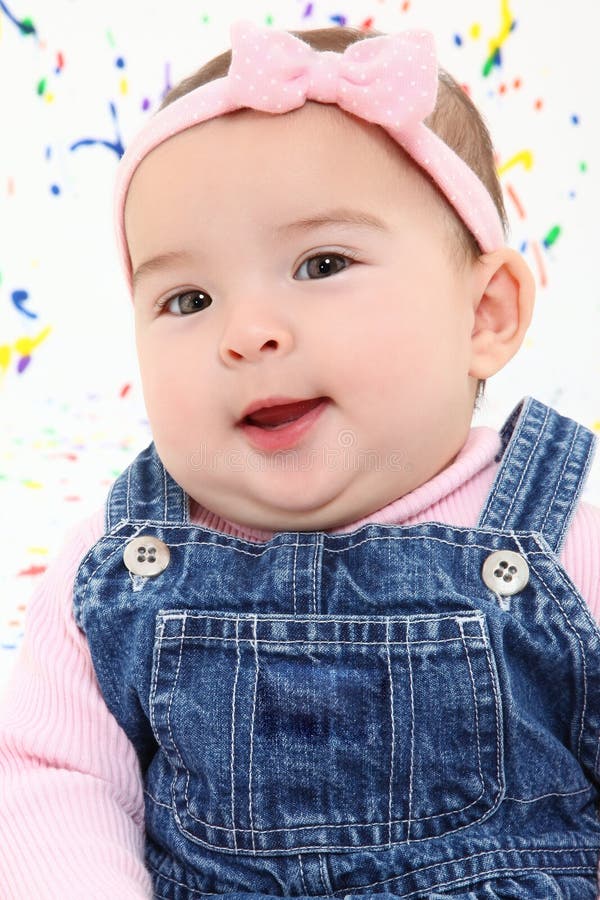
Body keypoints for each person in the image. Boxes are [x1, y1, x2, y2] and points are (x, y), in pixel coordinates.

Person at [1, 17, 599, 900]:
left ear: (485, 315)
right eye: (188, 297)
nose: (247, 333)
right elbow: (53, 779)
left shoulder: (566, 544)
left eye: (321, 263)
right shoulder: (117, 568)